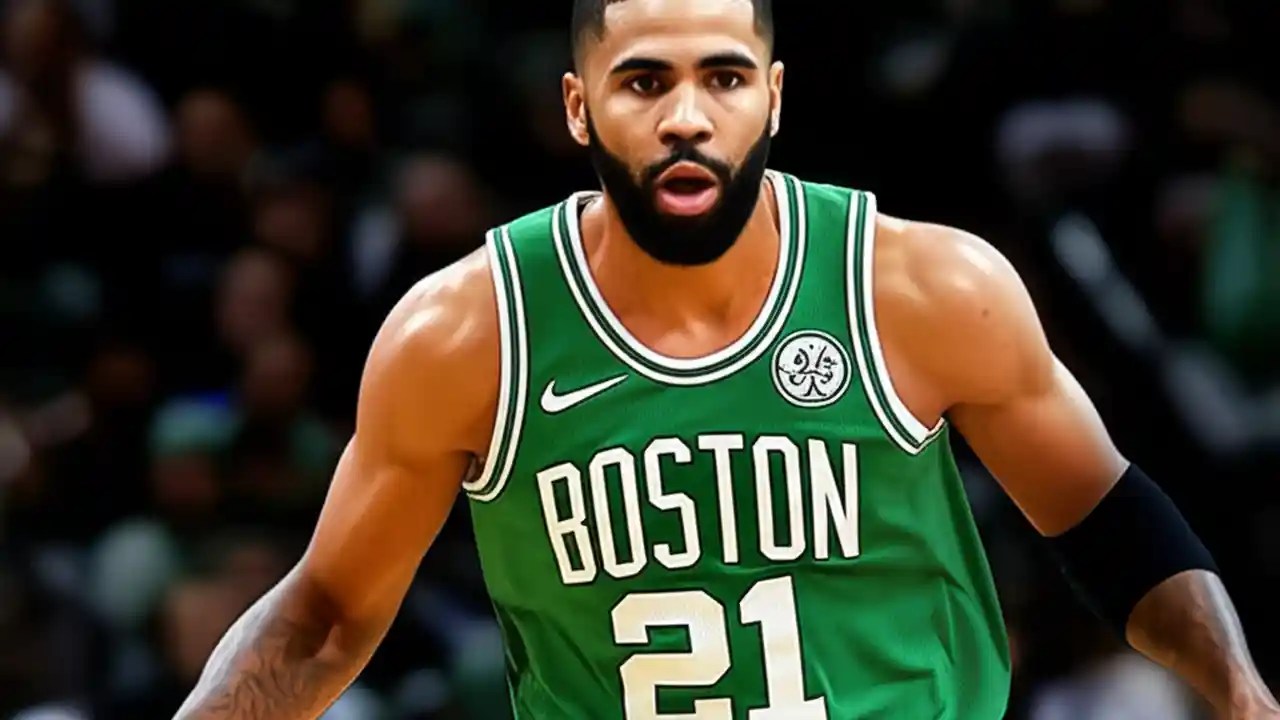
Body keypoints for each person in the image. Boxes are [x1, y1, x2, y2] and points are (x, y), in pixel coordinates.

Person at [174, 1, 1280, 718]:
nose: (687, 117)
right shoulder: (466, 336)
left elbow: (1109, 523)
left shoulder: (924, 290)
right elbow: (322, 618)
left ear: (774, 96)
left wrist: (1237, 693)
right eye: (645, 82)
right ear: (577, 107)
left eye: (723, 78)